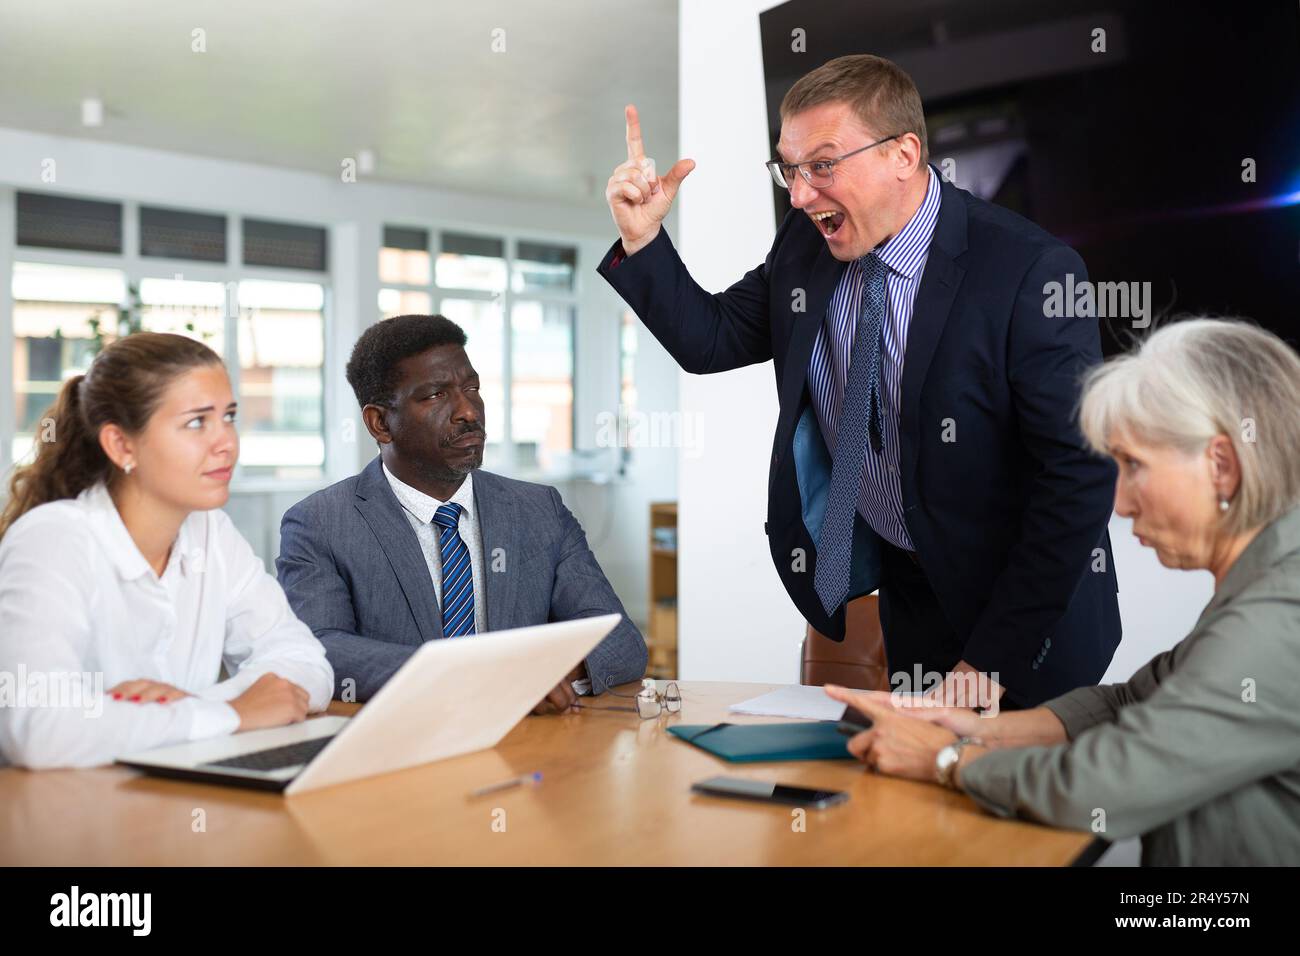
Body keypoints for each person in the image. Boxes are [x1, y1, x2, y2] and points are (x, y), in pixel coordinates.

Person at [598, 53, 1121, 709]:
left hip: (1028, 612)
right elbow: (713, 339)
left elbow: (1077, 476)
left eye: (822, 165)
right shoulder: (803, 247)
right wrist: (643, 240)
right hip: (911, 596)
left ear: (903, 154)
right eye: (788, 168)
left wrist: (990, 661)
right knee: (913, 801)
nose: (798, 193)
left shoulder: (1027, 270)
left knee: (1020, 800)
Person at [825, 318, 1300, 865]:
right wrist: (975, 728)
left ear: (1221, 465)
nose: (1118, 503)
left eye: (1133, 466)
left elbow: (1111, 782)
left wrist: (947, 759)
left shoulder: (1276, 619)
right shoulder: (1264, 587)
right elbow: (1128, 702)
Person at [276, 314, 647, 710]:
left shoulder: (540, 510)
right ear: (380, 423)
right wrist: (473, 678)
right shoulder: (320, 524)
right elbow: (323, 650)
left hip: (533, 748)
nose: (468, 411)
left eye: (472, 388)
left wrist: (548, 677)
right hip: (402, 747)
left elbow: (619, 638)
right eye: (436, 395)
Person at [0, 333, 334, 769]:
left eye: (228, 416)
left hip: (170, 797)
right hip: (65, 815)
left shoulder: (210, 530)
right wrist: (234, 712)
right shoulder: (53, 539)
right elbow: (37, 727)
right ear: (121, 445)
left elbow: (309, 665)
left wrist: (193, 706)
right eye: (197, 422)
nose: (227, 443)